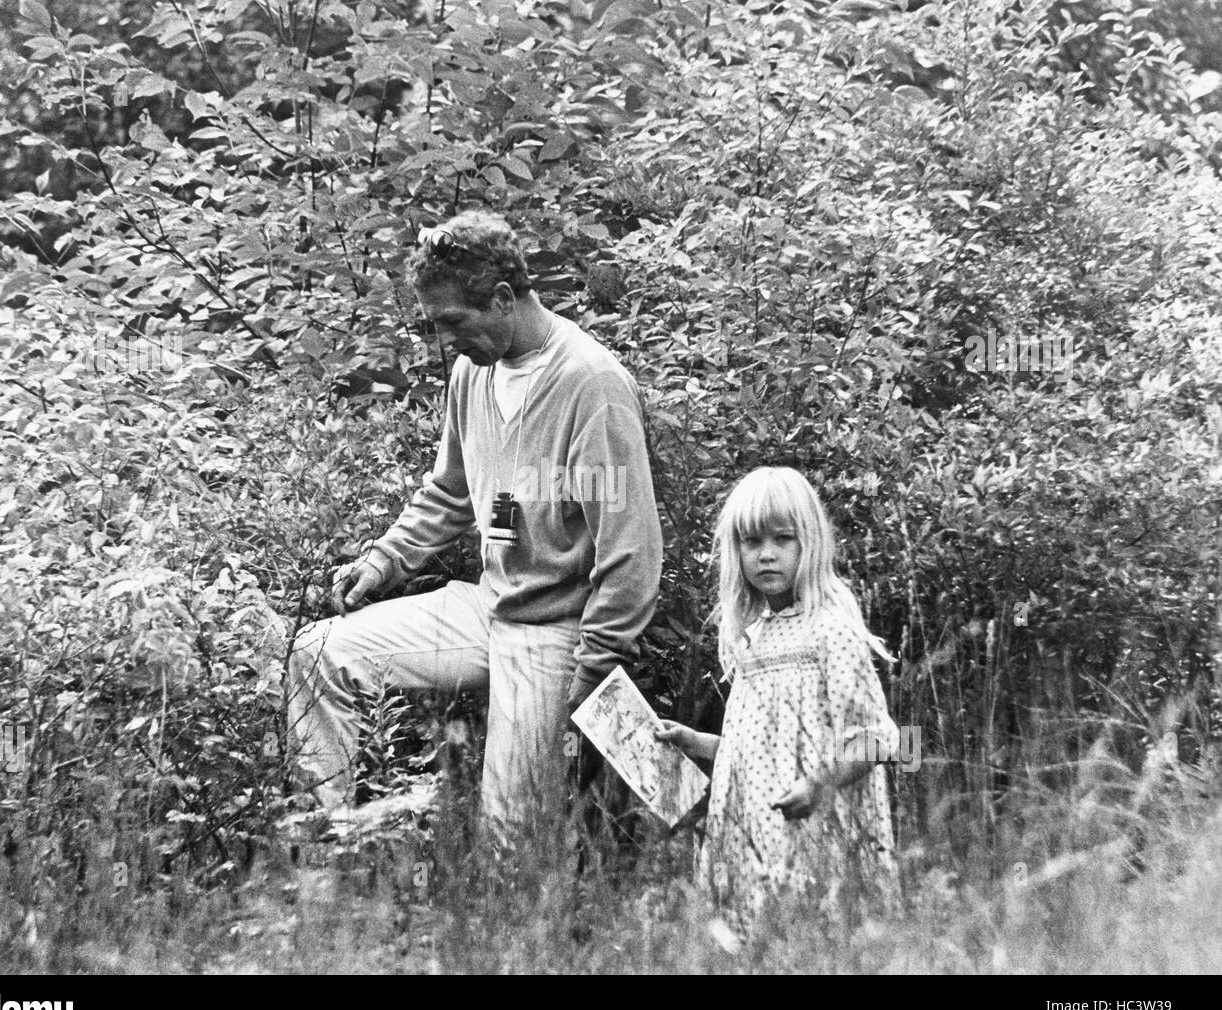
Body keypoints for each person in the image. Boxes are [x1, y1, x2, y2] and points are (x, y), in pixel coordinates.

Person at [286, 210, 663, 842]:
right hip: (487, 607)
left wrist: (595, 667)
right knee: (317, 655)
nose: (445, 341)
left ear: (504, 298)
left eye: (454, 322)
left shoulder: (591, 385)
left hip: (557, 631)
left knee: (510, 840)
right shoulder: (472, 373)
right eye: (435, 325)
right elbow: (451, 492)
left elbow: (632, 552)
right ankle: (328, 851)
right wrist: (383, 561)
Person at [655, 466, 900, 931]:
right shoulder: (753, 638)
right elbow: (751, 749)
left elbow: (876, 740)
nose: (766, 554)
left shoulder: (831, 630)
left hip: (816, 827)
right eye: (751, 542)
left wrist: (820, 784)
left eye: (782, 539)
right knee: (756, 944)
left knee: (816, 937)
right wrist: (694, 742)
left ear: (810, 543)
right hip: (755, 833)